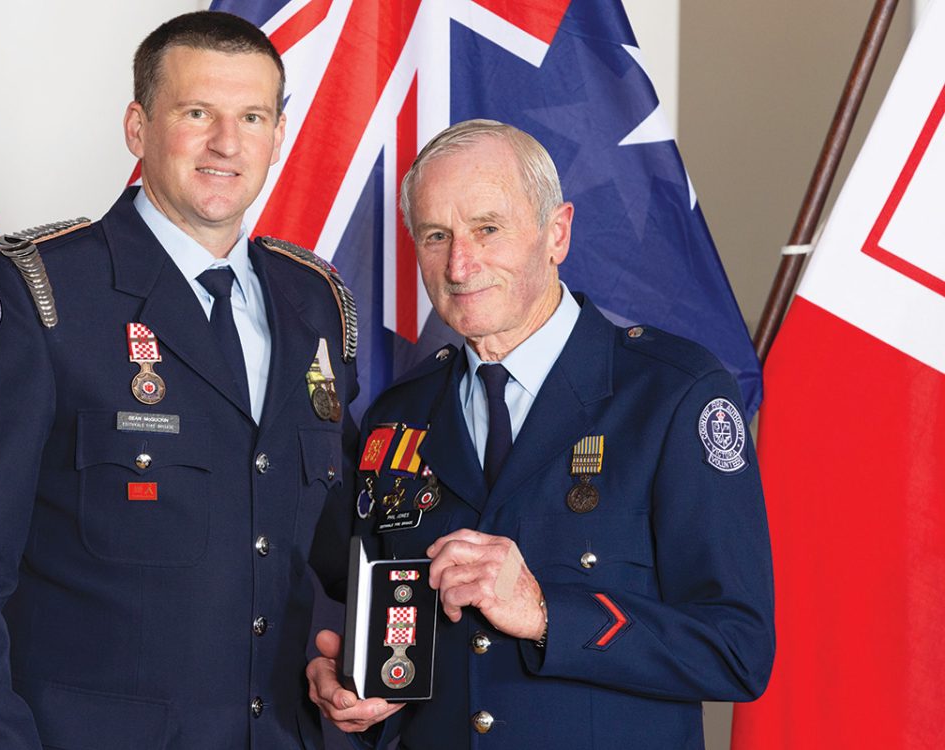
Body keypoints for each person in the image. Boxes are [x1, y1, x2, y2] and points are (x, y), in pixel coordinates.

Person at [0, 11, 357, 749]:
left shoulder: (316, 306)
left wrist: (375, 668)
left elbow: (341, 540)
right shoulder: (40, 294)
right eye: (197, 113)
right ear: (138, 128)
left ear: (279, 133)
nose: (226, 144)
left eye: (252, 116)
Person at [307, 119, 774, 749]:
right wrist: (352, 685)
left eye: (487, 229)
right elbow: (392, 630)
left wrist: (547, 613)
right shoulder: (401, 415)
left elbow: (737, 650)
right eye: (436, 236)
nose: (460, 263)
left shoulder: (672, 394)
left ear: (557, 233)